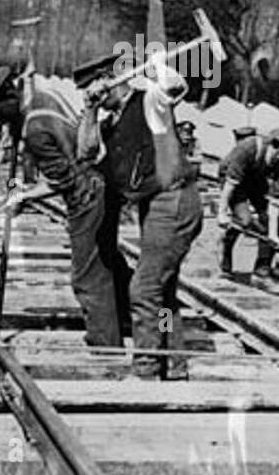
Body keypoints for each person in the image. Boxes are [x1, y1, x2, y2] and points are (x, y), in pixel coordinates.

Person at [79, 53, 201, 381]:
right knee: (162, 289)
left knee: (144, 288)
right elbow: (86, 151)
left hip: (173, 201)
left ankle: (146, 368)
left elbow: (174, 86)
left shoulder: (148, 102)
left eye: (95, 87)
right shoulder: (108, 122)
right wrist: (89, 111)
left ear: (110, 79)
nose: (94, 94)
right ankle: (173, 362)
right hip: (155, 206)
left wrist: (158, 64)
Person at [5, 58, 132, 346]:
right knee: (109, 260)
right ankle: (129, 319)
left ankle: (105, 343)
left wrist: (23, 195)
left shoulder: (34, 129)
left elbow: (66, 179)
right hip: (103, 188)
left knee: (88, 276)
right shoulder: (45, 100)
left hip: (87, 196)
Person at [216, 126, 279, 295]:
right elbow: (230, 185)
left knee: (272, 223)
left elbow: (274, 203)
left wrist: (273, 234)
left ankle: (261, 273)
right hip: (232, 180)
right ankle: (226, 246)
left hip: (255, 179)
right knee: (244, 219)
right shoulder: (248, 148)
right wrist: (222, 213)